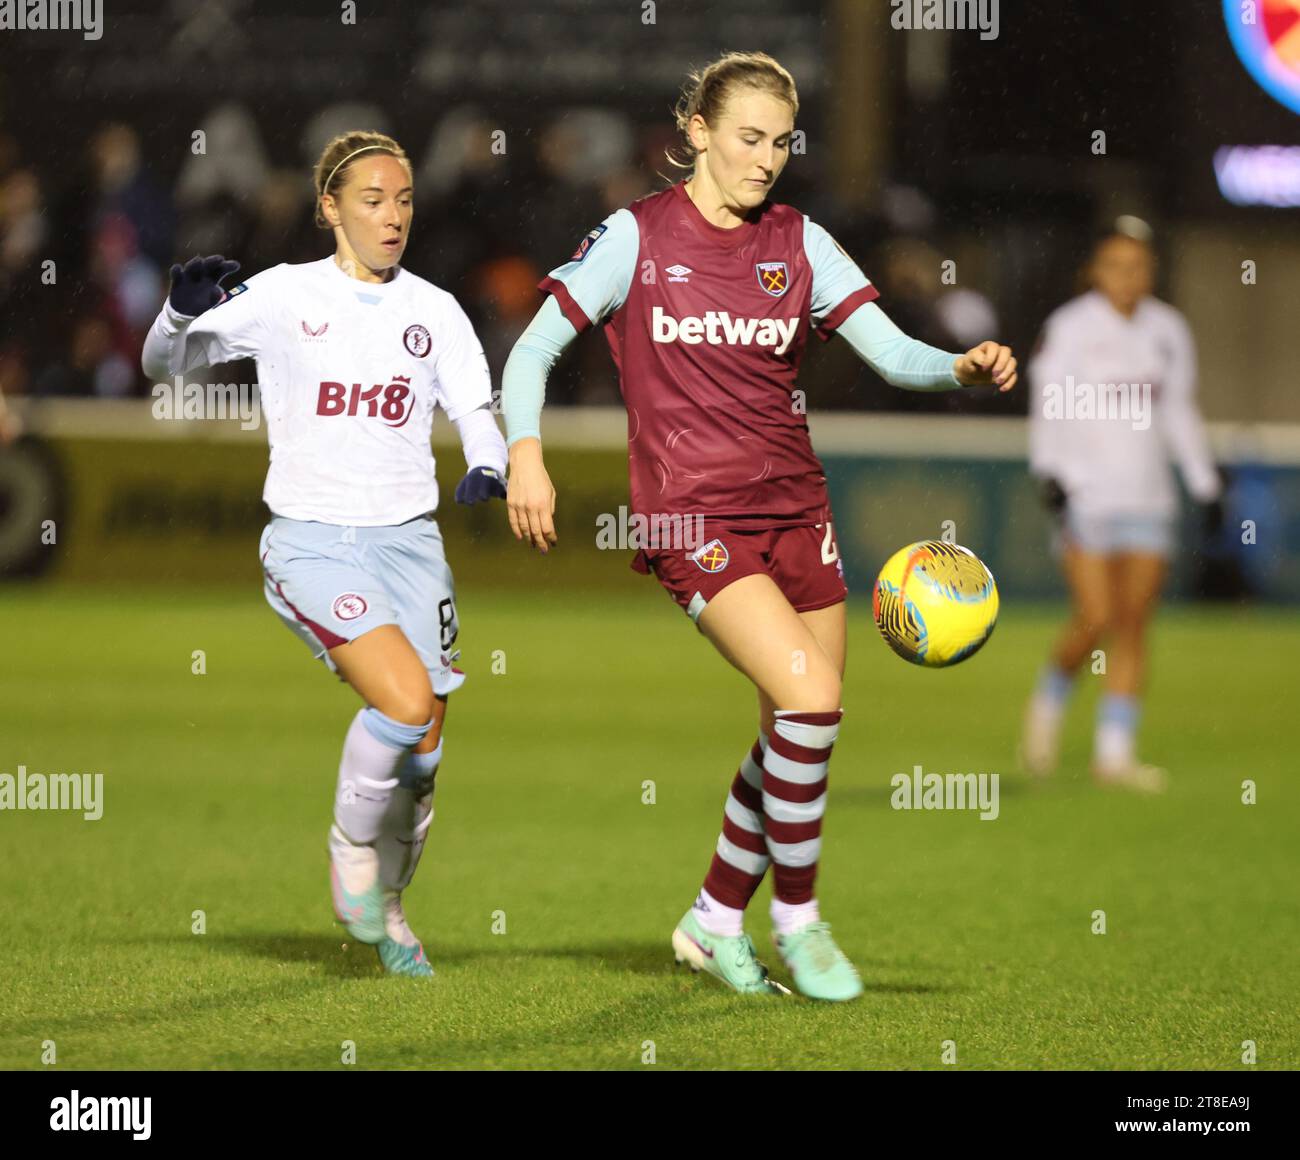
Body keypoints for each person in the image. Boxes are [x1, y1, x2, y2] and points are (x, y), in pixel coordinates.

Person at [501, 52, 1016, 1000]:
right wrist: (524, 454)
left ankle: (710, 920)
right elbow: (533, 349)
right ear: (695, 130)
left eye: (781, 141)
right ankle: (800, 921)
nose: (767, 158)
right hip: (690, 515)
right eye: (748, 136)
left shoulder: (801, 242)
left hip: (797, 512)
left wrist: (958, 367)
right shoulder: (636, 237)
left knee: (795, 721)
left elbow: (893, 353)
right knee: (813, 704)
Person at [141, 131, 508, 977]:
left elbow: (473, 405)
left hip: (412, 544)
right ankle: (348, 848)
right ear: (329, 208)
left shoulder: (434, 308)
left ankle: (391, 906)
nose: (392, 217)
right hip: (313, 540)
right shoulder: (281, 295)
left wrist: (488, 463)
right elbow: (168, 367)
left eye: (404, 200)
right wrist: (177, 313)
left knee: (424, 757)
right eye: (373, 200)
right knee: (405, 701)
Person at [1022, 228, 1222, 792]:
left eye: (1137, 266)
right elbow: (1047, 404)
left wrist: (1204, 482)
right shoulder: (1070, 327)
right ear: (1095, 269)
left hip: (1149, 498)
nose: (1127, 276)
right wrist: (1050, 473)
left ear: (1150, 271)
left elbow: (1179, 410)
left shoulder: (1168, 331)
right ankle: (1049, 700)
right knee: (1095, 617)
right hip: (1086, 495)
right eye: (1115, 264)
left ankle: (1114, 753)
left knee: (1133, 625)